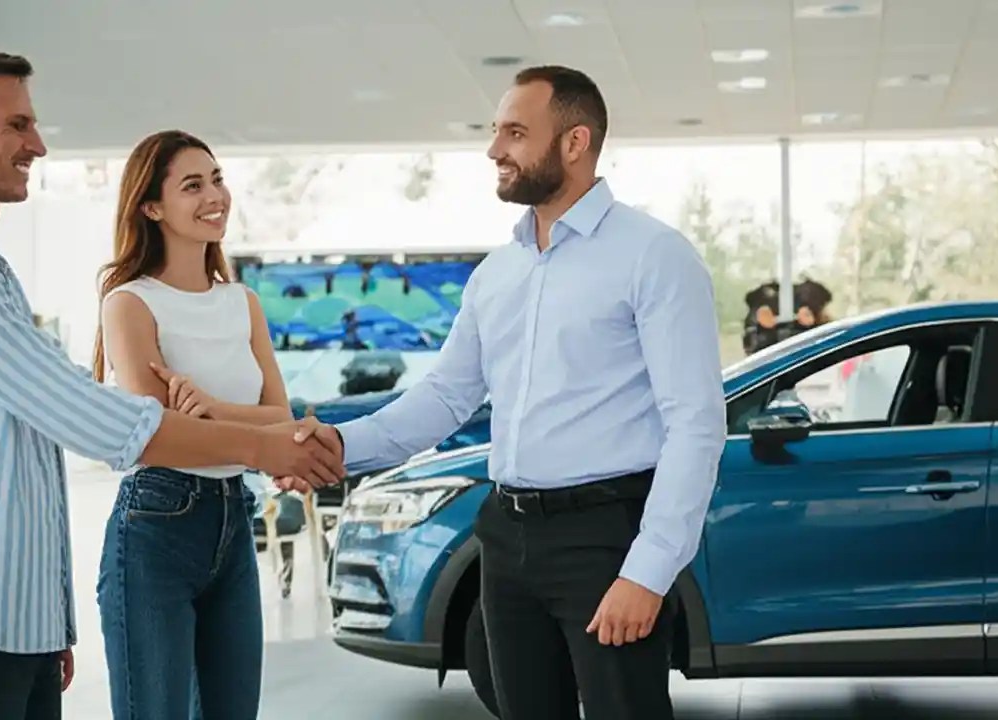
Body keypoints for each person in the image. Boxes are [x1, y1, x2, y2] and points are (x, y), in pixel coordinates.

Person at [0, 44, 342, 720]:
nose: (40, 144)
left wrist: (48, 622)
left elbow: (23, 447)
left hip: (6, 624)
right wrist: (264, 447)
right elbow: (86, 413)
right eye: (19, 125)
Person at [295, 66, 726, 719]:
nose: (495, 150)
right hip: (506, 538)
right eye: (496, 132)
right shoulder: (497, 274)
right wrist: (338, 446)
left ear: (575, 142)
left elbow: (696, 423)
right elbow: (445, 396)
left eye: (516, 133)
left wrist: (649, 570)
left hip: (605, 540)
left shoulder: (654, 256)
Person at [93, 129, 294, 719]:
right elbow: (151, 436)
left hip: (234, 518)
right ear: (152, 207)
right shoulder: (129, 302)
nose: (215, 195)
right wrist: (247, 430)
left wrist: (210, 407)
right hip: (156, 526)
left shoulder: (242, 302)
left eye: (217, 179)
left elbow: (282, 417)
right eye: (193, 185)